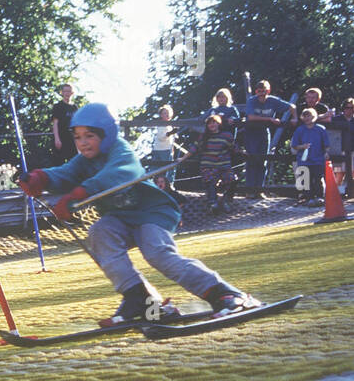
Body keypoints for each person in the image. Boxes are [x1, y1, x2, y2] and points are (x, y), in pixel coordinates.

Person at [17, 102, 259, 325]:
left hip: (152, 213)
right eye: (78, 137)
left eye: (90, 136)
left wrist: (78, 193)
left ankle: (225, 293)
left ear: (107, 134)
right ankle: (143, 300)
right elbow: (65, 173)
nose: (83, 143)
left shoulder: (121, 151)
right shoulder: (83, 161)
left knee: (157, 253)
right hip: (121, 218)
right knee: (100, 233)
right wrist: (41, 178)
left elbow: (118, 174)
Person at [240, 80, 293, 195]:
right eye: (259, 91)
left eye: (264, 91)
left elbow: (292, 107)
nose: (261, 94)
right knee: (252, 160)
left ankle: (259, 189)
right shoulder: (252, 101)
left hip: (264, 132)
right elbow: (250, 117)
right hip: (251, 132)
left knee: (263, 160)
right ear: (256, 92)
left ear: (268, 91)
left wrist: (295, 118)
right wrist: (269, 119)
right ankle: (250, 190)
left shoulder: (273, 101)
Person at [185, 114, 244, 214]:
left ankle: (226, 200)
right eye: (209, 123)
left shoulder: (227, 135)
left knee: (232, 180)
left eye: (214, 122)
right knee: (210, 180)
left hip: (224, 165)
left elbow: (234, 148)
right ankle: (212, 204)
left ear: (218, 123)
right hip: (208, 165)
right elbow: (193, 149)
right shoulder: (203, 137)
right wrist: (183, 158)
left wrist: (243, 152)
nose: (212, 125)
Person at [290, 107, 331, 204]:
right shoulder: (299, 130)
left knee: (318, 178)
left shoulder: (321, 129)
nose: (308, 118)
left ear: (315, 117)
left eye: (310, 116)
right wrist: (302, 146)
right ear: (302, 118)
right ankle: (308, 198)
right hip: (304, 160)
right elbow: (294, 146)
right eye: (305, 116)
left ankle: (320, 197)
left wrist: (326, 153)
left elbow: (326, 144)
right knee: (306, 180)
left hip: (318, 159)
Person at [148, 105, 178, 191]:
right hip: (160, 150)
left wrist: (173, 133)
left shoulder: (169, 125)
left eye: (168, 113)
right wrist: (170, 133)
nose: (166, 115)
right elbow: (161, 137)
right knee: (157, 168)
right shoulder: (160, 125)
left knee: (169, 168)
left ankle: (169, 185)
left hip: (167, 149)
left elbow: (173, 138)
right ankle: (152, 184)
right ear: (161, 115)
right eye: (164, 113)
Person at [48, 83, 77, 165]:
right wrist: (57, 139)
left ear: (72, 93)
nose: (67, 93)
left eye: (69, 91)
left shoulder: (74, 108)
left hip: (72, 140)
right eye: (65, 91)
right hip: (61, 139)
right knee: (59, 164)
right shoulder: (58, 106)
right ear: (62, 93)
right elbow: (55, 124)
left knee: (74, 164)